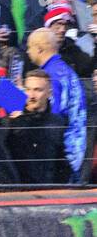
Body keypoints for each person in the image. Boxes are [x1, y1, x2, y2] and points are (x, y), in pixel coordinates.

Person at [26, 27, 86, 180]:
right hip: (76, 148)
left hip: (62, 154)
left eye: (29, 47)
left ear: (39, 49)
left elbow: (52, 116)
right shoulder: (65, 70)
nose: (27, 52)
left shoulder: (51, 76)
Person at [7, 70, 71, 186]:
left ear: (49, 93)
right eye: (28, 89)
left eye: (38, 90)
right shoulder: (12, 122)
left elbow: (64, 162)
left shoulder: (59, 123)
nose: (31, 96)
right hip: (19, 191)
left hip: (50, 191)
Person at [43, 5, 94, 80]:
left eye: (65, 25)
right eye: (59, 24)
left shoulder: (73, 49)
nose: (63, 30)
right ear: (49, 26)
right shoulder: (38, 48)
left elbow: (88, 70)